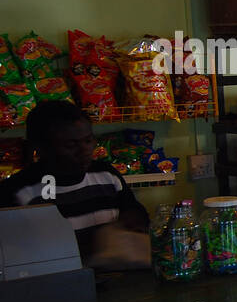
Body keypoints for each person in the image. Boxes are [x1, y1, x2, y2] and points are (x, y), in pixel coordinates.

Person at [0, 100, 150, 266]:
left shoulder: (106, 175)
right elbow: (17, 258)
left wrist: (132, 221)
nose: (84, 150)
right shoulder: (18, 192)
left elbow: (133, 210)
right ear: (41, 148)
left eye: (88, 141)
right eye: (71, 145)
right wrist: (95, 246)